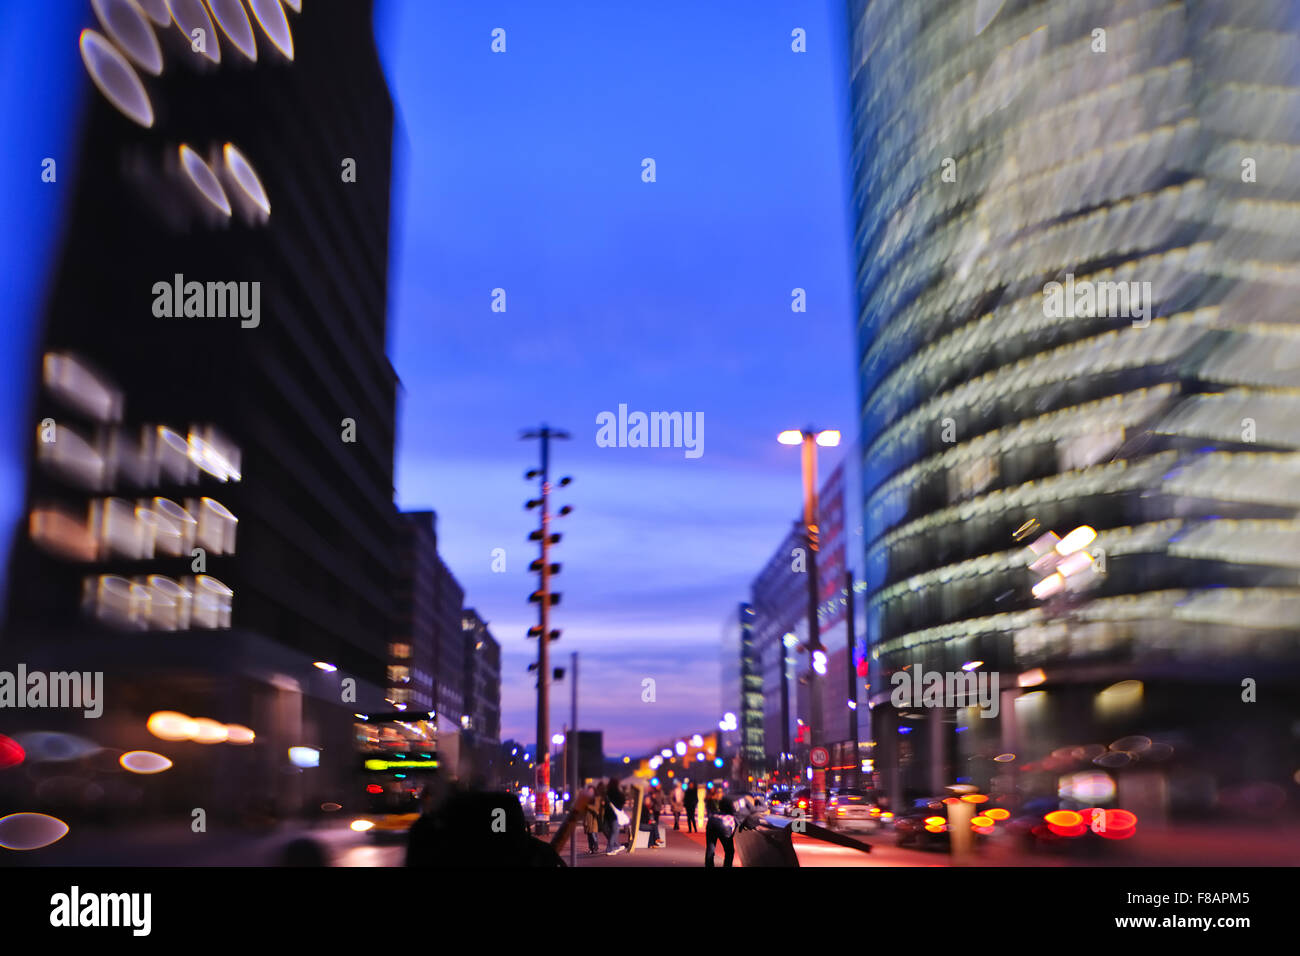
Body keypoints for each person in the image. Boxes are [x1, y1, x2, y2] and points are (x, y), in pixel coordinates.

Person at [704, 793, 738, 867]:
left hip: (712, 821)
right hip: (724, 825)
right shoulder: (732, 815)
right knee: (729, 851)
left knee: (710, 849)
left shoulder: (718, 810)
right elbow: (733, 829)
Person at [604, 777, 626, 854]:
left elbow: (605, 803)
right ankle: (610, 849)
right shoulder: (617, 792)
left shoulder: (607, 792)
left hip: (607, 814)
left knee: (611, 831)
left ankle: (616, 845)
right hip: (615, 815)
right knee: (614, 831)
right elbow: (623, 800)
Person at [584, 783, 605, 854]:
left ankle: (596, 847)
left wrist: (588, 806)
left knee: (593, 835)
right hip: (587, 820)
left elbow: (596, 808)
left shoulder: (597, 798)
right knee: (589, 836)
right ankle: (591, 849)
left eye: (591, 791)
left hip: (594, 820)